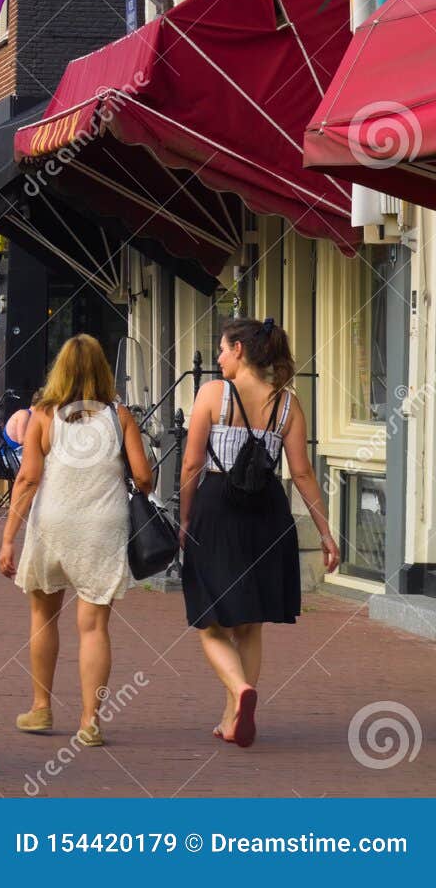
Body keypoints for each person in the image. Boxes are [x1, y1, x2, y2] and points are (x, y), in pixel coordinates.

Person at [180, 317, 338, 748]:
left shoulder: (213, 394)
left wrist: (184, 519)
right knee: (250, 624)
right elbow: (302, 474)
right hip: (268, 513)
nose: (218, 358)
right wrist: (325, 532)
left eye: (222, 349)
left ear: (240, 352)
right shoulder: (288, 405)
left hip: (217, 510)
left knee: (208, 620)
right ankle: (233, 718)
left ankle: (241, 692)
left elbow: (193, 464)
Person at [0, 334, 152, 747]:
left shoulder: (44, 416)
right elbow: (144, 478)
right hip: (103, 527)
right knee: (94, 626)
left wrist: (8, 538)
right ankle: (89, 721)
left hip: (53, 523)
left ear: (59, 371)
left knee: (42, 616)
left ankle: (41, 707)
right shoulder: (119, 416)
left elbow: (28, 479)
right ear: (103, 371)